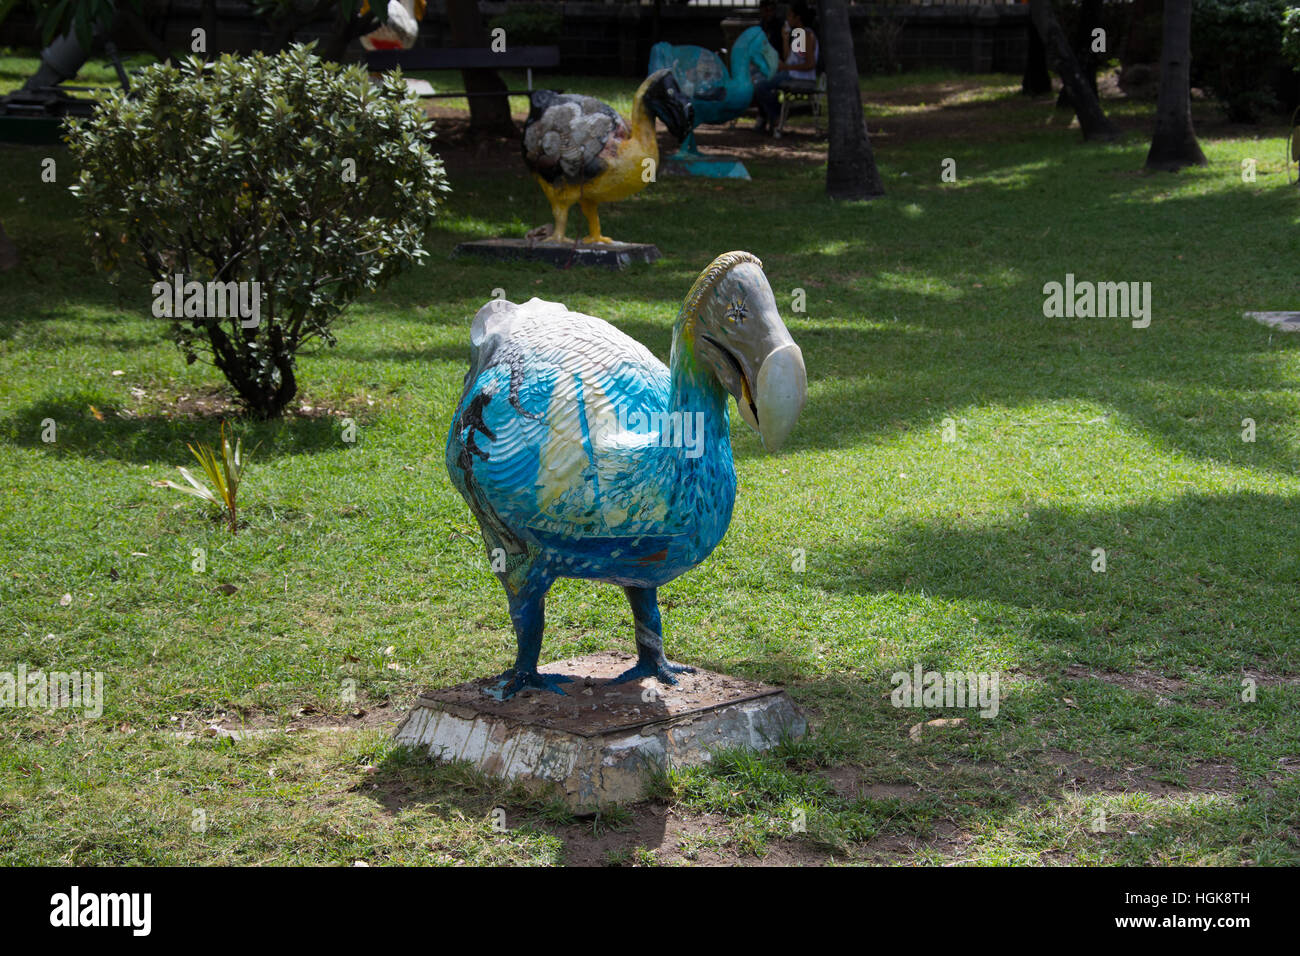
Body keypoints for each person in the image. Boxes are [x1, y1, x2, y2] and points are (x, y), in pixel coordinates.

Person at [753, 1, 818, 137]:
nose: (787, 19)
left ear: (797, 18)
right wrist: (785, 38)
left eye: (789, 15)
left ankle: (776, 115)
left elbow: (810, 64)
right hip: (790, 72)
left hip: (798, 76)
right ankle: (773, 116)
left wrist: (787, 67)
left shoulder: (807, 36)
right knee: (757, 78)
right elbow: (789, 57)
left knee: (760, 86)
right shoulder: (798, 34)